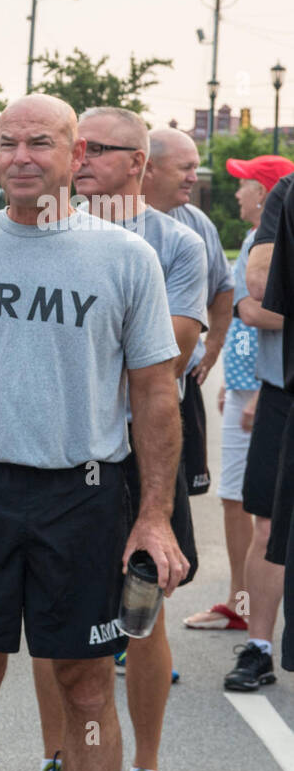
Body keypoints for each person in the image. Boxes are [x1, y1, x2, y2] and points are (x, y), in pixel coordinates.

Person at [0, 94, 187, 771]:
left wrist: (155, 515)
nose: (20, 157)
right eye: (7, 142)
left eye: (40, 143)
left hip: (84, 497)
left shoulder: (125, 258)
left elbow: (154, 394)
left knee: (84, 685)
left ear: (76, 154)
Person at [30, 107, 207, 771]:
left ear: (138, 162)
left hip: (143, 452)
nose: (82, 161)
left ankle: (147, 766)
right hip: (61, 448)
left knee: (142, 614)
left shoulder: (176, 244)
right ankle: (55, 756)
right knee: (53, 612)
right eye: (78, 147)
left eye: (99, 150)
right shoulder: (42, 230)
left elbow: (170, 353)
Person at [186, 155, 294, 633]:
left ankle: (243, 604)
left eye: (246, 183)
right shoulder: (256, 240)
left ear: (267, 193)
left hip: (267, 388)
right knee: (242, 502)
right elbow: (243, 308)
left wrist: (250, 388)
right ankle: (242, 606)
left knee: (257, 510)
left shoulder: (270, 240)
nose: (237, 192)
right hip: (254, 383)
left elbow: (254, 309)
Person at [143, 127, 235, 496]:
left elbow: (223, 291)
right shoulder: (105, 214)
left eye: (195, 167)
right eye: (185, 167)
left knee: (174, 491)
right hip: (115, 389)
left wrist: (211, 349)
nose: (194, 177)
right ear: (148, 168)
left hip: (179, 384)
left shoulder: (196, 223)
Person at [234, 168, 294, 689]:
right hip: (283, 391)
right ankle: (258, 646)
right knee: (269, 526)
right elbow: (257, 294)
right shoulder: (287, 191)